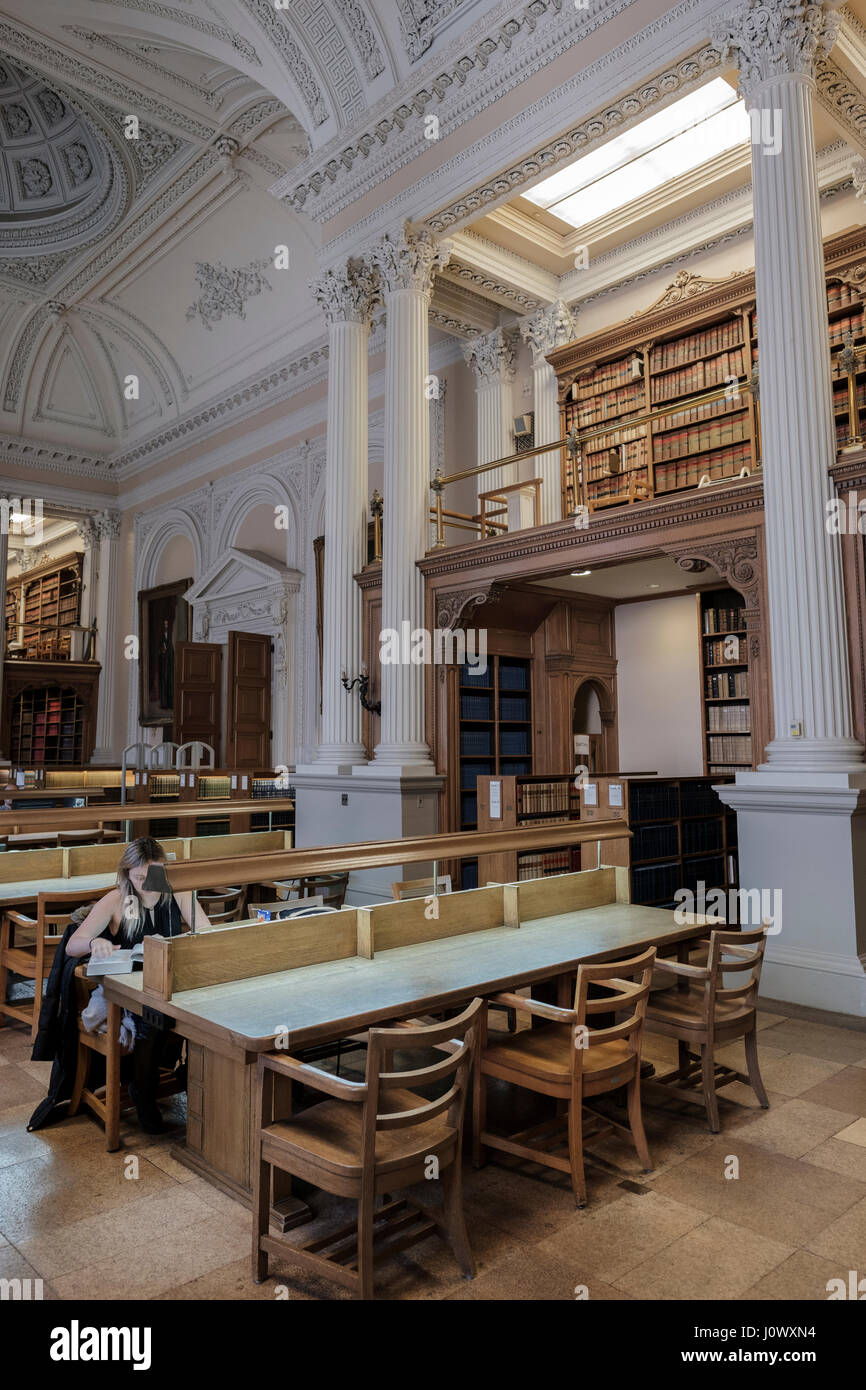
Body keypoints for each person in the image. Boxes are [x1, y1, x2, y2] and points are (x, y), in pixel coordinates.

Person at [66, 836, 210, 1133]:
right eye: (139, 877)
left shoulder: (178, 892)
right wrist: (96, 942)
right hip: (127, 991)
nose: (147, 884)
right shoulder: (116, 899)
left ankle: (187, 1074)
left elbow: (206, 932)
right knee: (154, 1019)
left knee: (201, 1012)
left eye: (154, 875)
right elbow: (72, 945)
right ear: (127, 873)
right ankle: (142, 1091)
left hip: (169, 981)